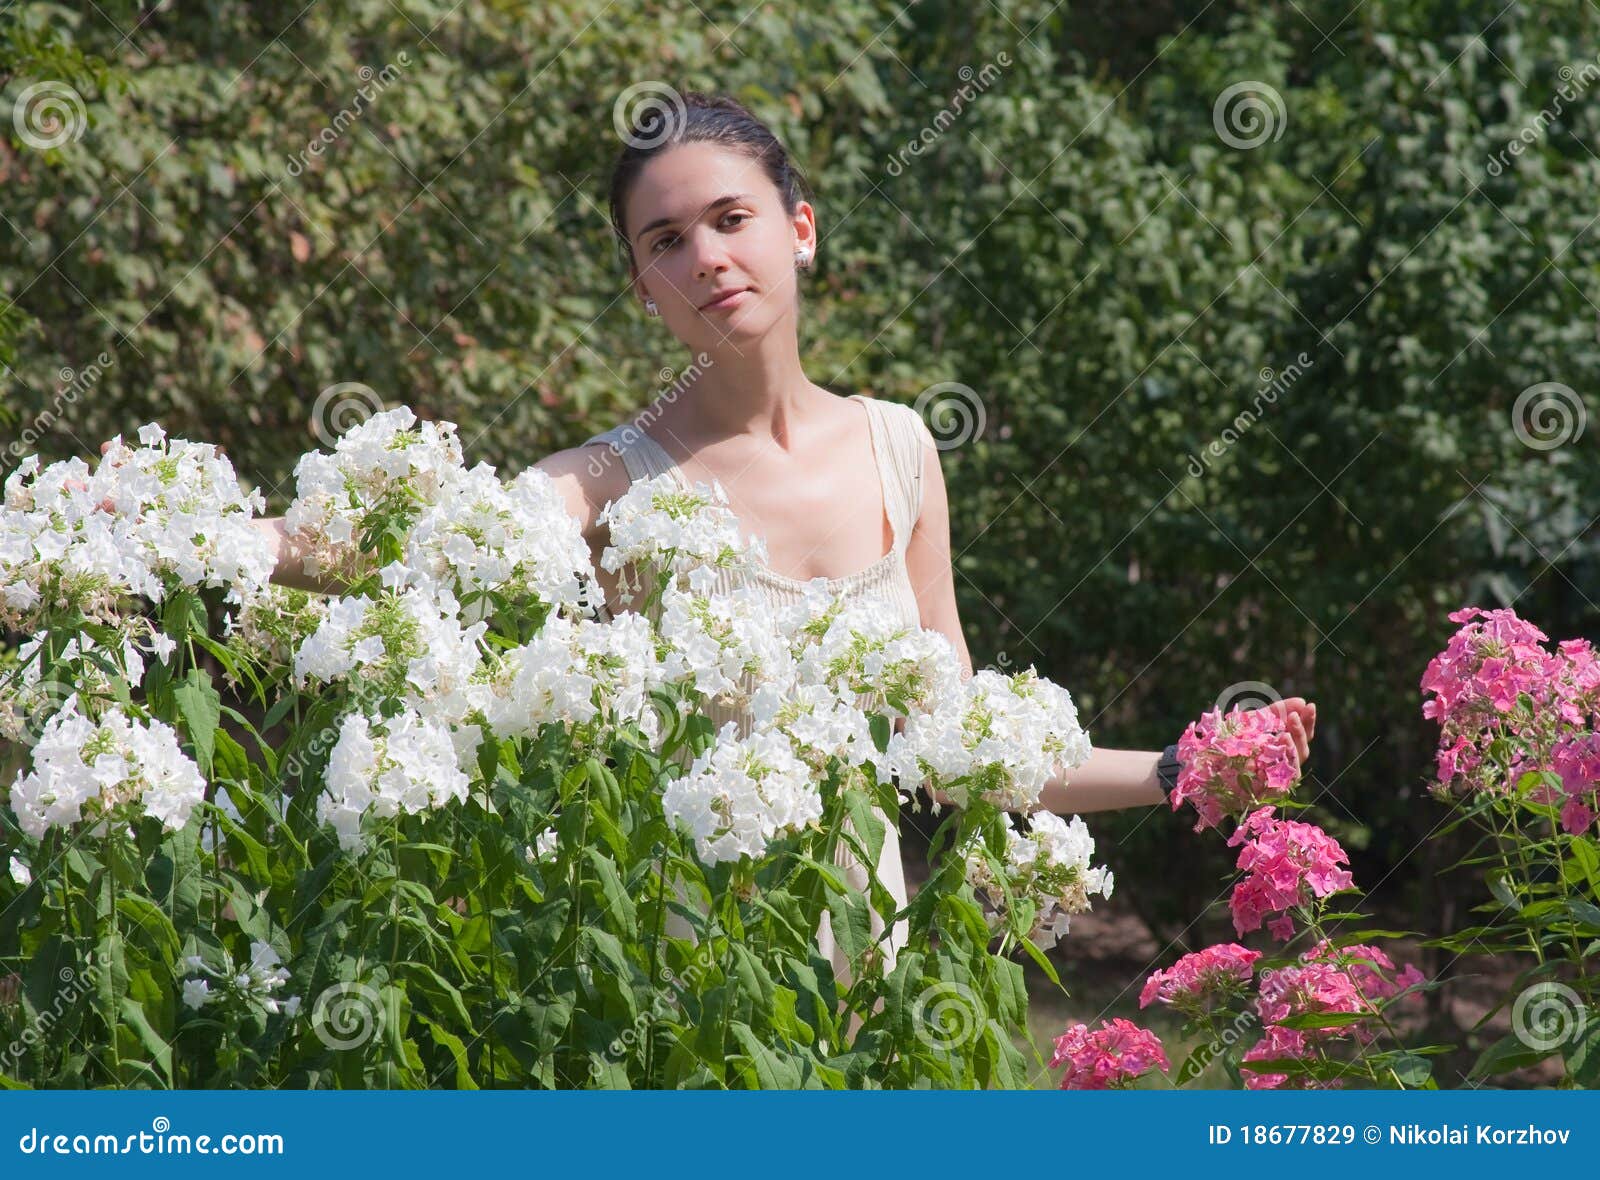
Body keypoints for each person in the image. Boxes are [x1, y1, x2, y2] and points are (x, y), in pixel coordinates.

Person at [228, 91, 1316, 989]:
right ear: (643, 289)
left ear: (800, 227)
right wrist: (216, 536)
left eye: (729, 217)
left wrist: (1182, 765)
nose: (703, 255)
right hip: (680, 983)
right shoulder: (604, 482)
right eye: (664, 241)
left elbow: (968, 746)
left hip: (874, 975)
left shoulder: (900, 449)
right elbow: (432, 544)